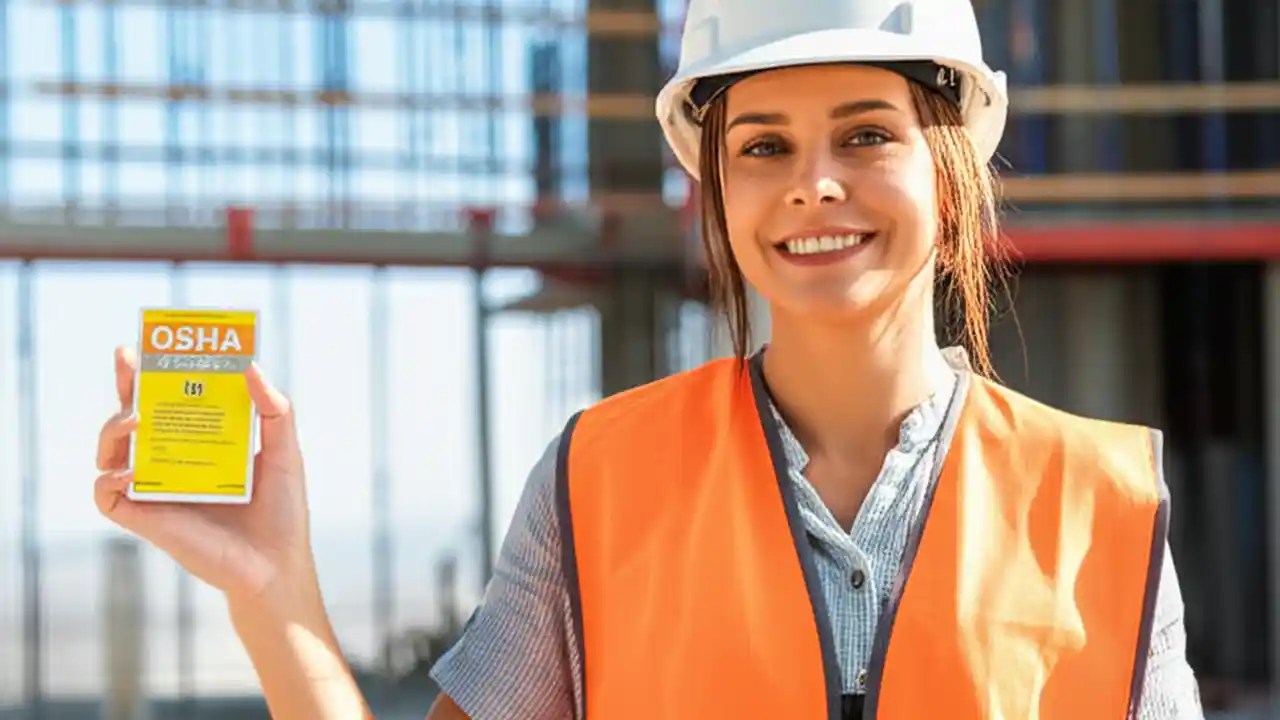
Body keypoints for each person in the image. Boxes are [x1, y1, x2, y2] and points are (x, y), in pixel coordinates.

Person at [94, 0, 1205, 718]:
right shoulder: (598, 480)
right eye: (762, 145)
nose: (813, 183)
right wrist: (274, 591)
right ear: (715, 191)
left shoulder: (1102, 505)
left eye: (866, 133)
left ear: (949, 173)